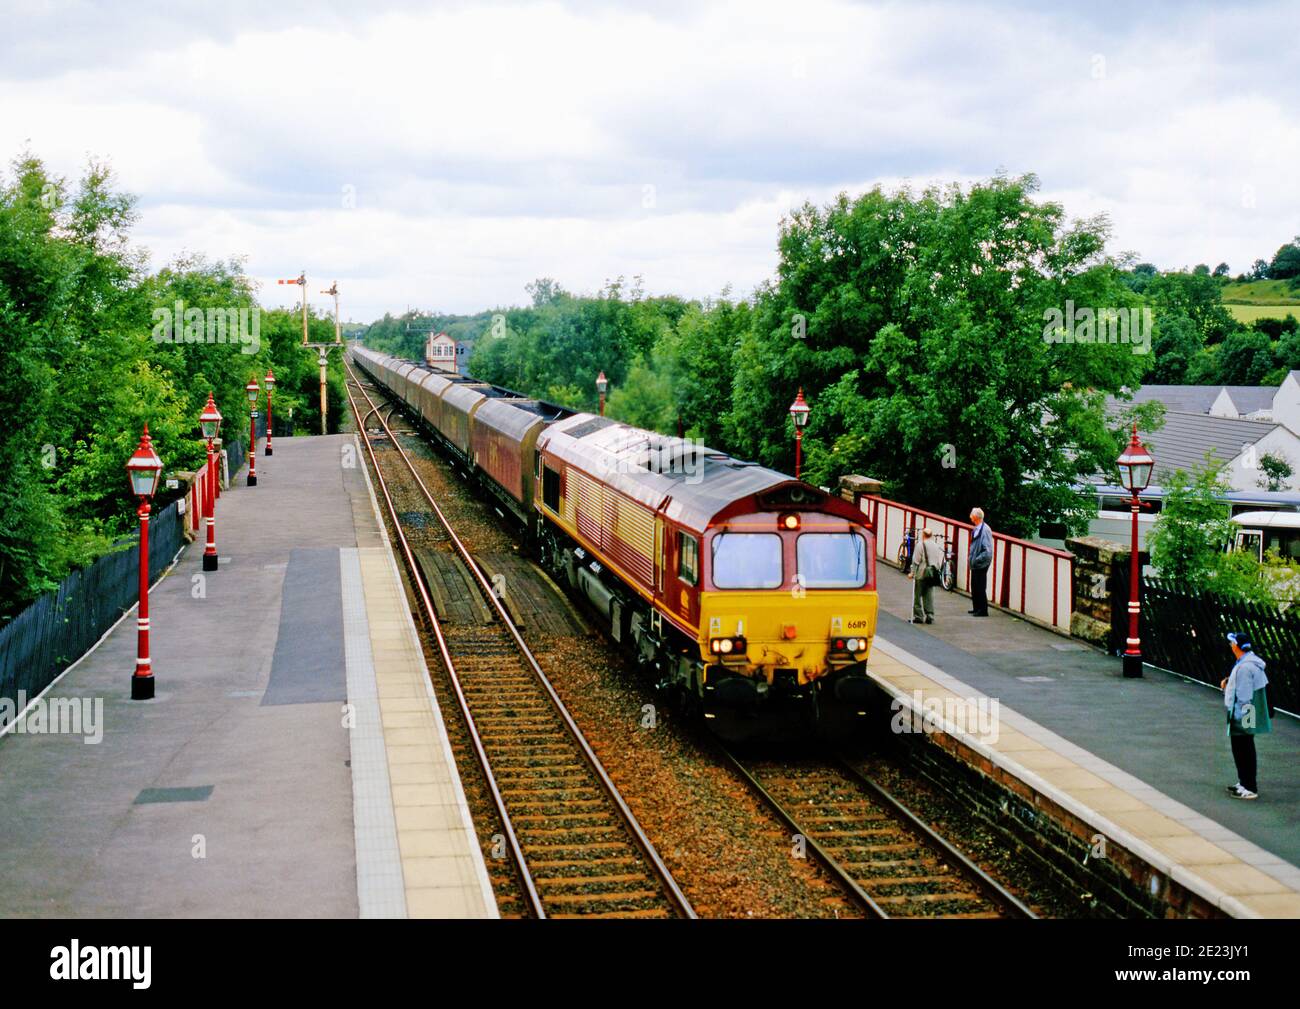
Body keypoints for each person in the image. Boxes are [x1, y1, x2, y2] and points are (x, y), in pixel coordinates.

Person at [1221, 632, 1271, 800]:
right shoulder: (1249, 663)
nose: (1230, 645)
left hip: (1243, 712)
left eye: (1231, 643)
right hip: (1248, 710)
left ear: (1237, 646)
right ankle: (1244, 782)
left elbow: (1243, 695)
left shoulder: (1244, 667)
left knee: (1243, 748)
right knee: (1243, 746)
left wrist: (1239, 718)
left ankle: (1249, 786)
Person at [907, 528, 937, 624]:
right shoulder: (935, 545)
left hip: (921, 573)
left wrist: (912, 573)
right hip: (931, 573)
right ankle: (930, 615)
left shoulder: (920, 545)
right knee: (929, 595)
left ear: (923, 535)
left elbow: (916, 561)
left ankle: (918, 616)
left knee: (917, 595)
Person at [967, 507, 993, 617]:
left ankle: (982, 610)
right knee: (975, 585)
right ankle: (976, 608)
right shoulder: (977, 529)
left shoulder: (985, 530)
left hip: (981, 563)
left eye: (972, 515)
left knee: (980, 586)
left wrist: (977, 560)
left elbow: (987, 551)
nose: (970, 517)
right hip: (976, 562)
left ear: (976, 517)